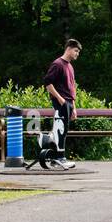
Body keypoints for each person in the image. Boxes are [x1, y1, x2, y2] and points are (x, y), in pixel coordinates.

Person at [41, 38, 81, 170]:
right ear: (68, 48)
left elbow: (72, 88)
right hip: (61, 102)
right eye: (75, 51)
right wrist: (59, 99)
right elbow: (48, 83)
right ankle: (59, 159)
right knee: (60, 129)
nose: (77, 54)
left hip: (69, 103)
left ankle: (58, 158)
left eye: (78, 52)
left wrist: (74, 107)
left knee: (64, 131)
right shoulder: (57, 64)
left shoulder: (70, 66)